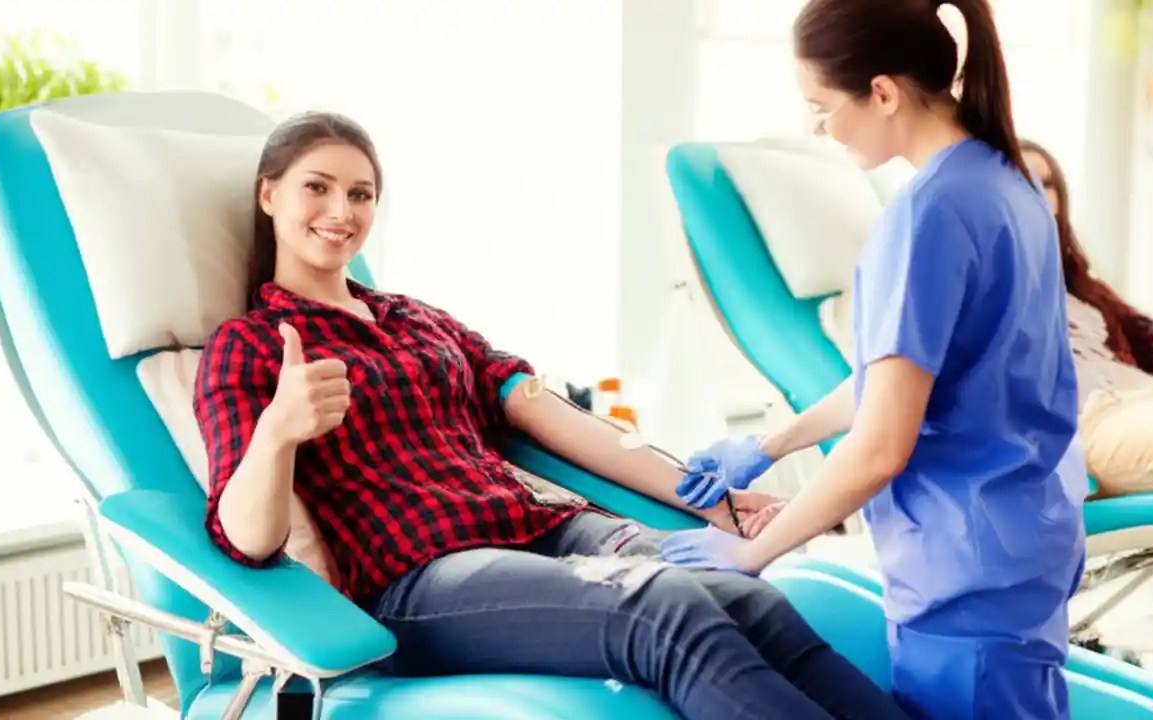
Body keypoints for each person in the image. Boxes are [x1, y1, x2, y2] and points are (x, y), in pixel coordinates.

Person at [193, 110, 911, 720]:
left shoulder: (418, 319)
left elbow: (554, 417)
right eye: (317, 188)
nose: (342, 212)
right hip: (425, 577)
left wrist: (712, 500)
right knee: (663, 609)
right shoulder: (250, 346)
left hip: (542, 528)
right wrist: (280, 430)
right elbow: (248, 537)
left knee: (750, 601)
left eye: (361, 193)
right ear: (268, 195)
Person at [661, 1, 1090, 718]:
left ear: (884, 92)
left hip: (965, 579)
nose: (814, 127)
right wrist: (770, 446)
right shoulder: (1005, 182)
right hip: (1024, 543)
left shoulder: (927, 217)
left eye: (820, 105)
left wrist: (753, 554)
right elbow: (894, 378)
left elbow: (881, 447)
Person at [1020, 139, 1153, 495]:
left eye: (1048, 181)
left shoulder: (1082, 287)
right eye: (1022, 178)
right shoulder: (981, 291)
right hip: (1100, 422)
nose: (1038, 190)